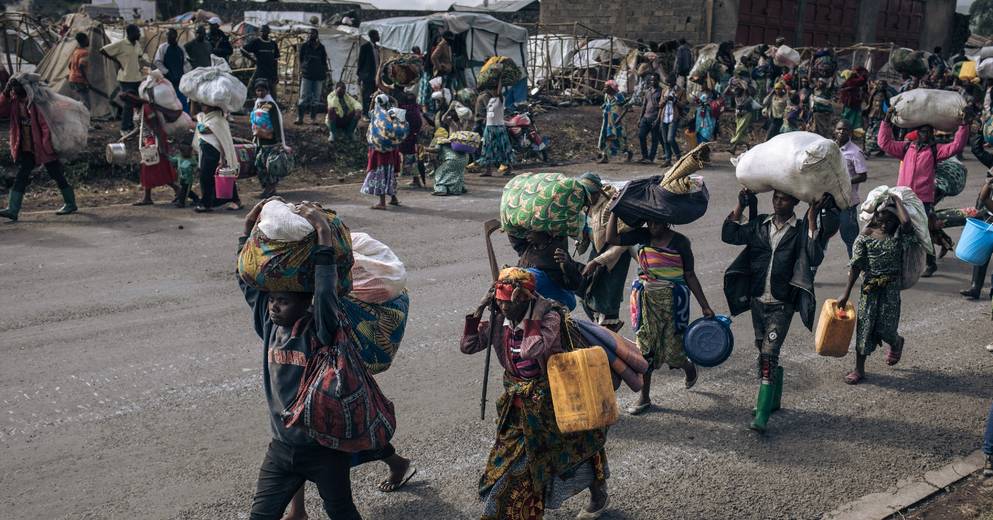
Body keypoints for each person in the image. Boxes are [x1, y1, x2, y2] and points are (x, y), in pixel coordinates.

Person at [237, 199, 362, 520]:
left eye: (282, 301)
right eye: (272, 300)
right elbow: (248, 282)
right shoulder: (268, 327)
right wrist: (247, 231)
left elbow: (324, 290)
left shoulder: (320, 329)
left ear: (306, 306)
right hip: (281, 449)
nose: (272, 307)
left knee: (341, 511)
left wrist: (321, 231)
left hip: (323, 450)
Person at [460, 267, 610, 520]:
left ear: (526, 299)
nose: (504, 307)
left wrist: (534, 318)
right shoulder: (499, 319)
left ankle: (598, 493)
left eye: (509, 302)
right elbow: (468, 346)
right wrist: (479, 310)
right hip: (516, 408)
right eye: (500, 301)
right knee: (510, 465)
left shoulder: (550, 318)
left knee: (574, 453)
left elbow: (532, 350)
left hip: (552, 404)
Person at [722, 189, 832, 433]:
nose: (777, 202)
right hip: (757, 300)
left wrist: (812, 218)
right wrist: (740, 206)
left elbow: (814, 256)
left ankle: (761, 413)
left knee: (769, 353)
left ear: (794, 201)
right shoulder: (760, 223)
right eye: (775, 198)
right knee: (761, 350)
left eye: (783, 198)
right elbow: (729, 235)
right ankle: (773, 399)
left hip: (783, 304)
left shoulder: (801, 229)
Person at [605, 209, 714, 415]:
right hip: (645, 302)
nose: (653, 227)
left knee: (674, 350)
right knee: (646, 350)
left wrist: (705, 305)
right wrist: (615, 211)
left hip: (673, 303)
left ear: (668, 222)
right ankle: (644, 398)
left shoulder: (681, 243)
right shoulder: (642, 235)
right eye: (650, 222)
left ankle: (687, 366)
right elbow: (612, 238)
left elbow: (689, 274)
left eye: (658, 223)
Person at [877, 109, 969, 277]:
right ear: (917, 133)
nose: (925, 135)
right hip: (901, 197)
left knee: (921, 231)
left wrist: (963, 125)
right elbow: (885, 143)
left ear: (931, 134)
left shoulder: (935, 151)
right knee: (893, 227)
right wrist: (886, 121)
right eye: (922, 132)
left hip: (922, 200)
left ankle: (930, 263)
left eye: (928, 132)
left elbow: (956, 146)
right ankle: (895, 262)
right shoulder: (906, 148)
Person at [836, 193, 914, 384]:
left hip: (891, 289)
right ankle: (859, 370)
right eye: (882, 217)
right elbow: (855, 266)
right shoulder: (864, 237)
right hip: (870, 289)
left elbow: (907, 225)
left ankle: (896, 342)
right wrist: (845, 294)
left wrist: (897, 201)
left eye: (891, 218)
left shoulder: (898, 235)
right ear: (876, 217)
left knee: (886, 329)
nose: (886, 222)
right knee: (865, 329)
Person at [0, 76, 78, 221]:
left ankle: (70, 203)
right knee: (21, 176)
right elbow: (1, 109)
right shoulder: (15, 101)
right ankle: (13, 209)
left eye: (17, 90)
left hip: (43, 147)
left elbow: (45, 126)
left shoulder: (38, 103)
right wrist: (5, 92)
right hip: (27, 147)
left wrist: (47, 148)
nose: (15, 93)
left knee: (56, 174)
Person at [579, 181, 630, 331]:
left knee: (607, 299)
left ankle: (609, 331)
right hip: (596, 254)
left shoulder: (611, 208)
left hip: (614, 260)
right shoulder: (587, 210)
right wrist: (579, 237)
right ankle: (605, 329)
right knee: (588, 295)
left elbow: (621, 245)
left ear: (595, 193)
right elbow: (584, 245)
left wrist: (597, 261)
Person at [129, 90, 181, 206]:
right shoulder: (136, 110)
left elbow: (156, 127)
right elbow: (139, 128)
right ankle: (177, 190)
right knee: (154, 167)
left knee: (152, 167)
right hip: (147, 141)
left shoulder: (146, 108)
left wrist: (161, 146)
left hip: (155, 140)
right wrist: (127, 137)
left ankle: (176, 189)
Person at [957, 136, 993, 299]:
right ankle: (975, 287)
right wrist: (978, 132)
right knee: (982, 250)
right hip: (989, 213)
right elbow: (977, 150)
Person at [193, 103, 242, 212]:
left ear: (212, 106)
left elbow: (204, 130)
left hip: (214, 152)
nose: (202, 107)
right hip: (206, 150)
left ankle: (206, 204)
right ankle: (232, 200)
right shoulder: (204, 118)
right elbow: (195, 116)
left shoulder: (217, 120)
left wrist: (223, 157)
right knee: (218, 176)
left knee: (208, 176)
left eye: (205, 105)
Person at [101, 24, 148, 136]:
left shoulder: (136, 44)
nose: (139, 34)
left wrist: (145, 65)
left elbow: (140, 57)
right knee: (128, 104)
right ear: (130, 33)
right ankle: (124, 128)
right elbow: (103, 50)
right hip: (126, 78)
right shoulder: (121, 44)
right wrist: (118, 61)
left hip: (137, 77)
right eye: (137, 32)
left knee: (137, 104)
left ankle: (132, 125)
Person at [362, 94, 403, 210]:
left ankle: (382, 203)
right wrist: (391, 97)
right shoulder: (392, 113)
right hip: (391, 151)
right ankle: (393, 198)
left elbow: (369, 111)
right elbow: (397, 106)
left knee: (381, 175)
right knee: (390, 174)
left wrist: (374, 98)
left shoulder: (376, 114)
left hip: (379, 152)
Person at [835, 119, 869, 257]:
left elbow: (863, 176)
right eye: (839, 129)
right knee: (820, 237)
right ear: (834, 130)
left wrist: (845, 182)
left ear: (850, 133)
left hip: (847, 202)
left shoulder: (855, 152)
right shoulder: (829, 147)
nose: (841, 132)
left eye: (845, 130)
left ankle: (856, 267)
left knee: (850, 239)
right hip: (829, 200)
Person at [251, 80, 288, 199]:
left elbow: (276, 123)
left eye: (262, 90)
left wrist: (279, 141)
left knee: (269, 165)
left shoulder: (271, 105)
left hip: (270, 141)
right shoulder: (257, 104)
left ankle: (270, 188)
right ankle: (267, 187)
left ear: (267, 91)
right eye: (258, 90)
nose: (260, 93)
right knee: (259, 164)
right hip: (260, 140)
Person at [477, 73, 513, 177]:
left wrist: (500, 78)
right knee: (487, 148)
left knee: (504, 148)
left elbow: (499, 92)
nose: (493, 92)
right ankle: (488, 170)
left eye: (494, 90)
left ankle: (509, 168)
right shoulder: (490, 100)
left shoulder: (501, 99)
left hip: (499, 127)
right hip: (489, 127)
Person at [153, 28, 191, 113]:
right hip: (168, 79)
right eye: (167, 35)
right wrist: (167, 72)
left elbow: (186, 62)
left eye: (171, 35)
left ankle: (185, 116)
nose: (169, 37)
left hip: (180, 79)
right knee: (169, 100)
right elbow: (157, 61)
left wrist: (186, 74)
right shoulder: (163, 48)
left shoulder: (180, 48)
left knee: (182, 100)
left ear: (175, 36)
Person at [297, 29, 329, 125]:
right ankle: (300, 118)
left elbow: (324, 61)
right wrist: (303, 68)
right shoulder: (304, 46)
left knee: (316, 99)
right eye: (310, 33)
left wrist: (324, 73)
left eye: (313, 33)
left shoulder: (321, 48)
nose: (311, 35)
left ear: (317, 35)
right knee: (303, 97)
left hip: (318, 76)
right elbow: (301, 59)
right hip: (307, 75)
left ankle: (313, 119)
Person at [242, 25, 280, 101]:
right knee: (254, 88)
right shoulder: (256, 42)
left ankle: (273, 108)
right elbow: (243, 50)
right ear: (260, 32)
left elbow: (275, 60)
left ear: (268, 32)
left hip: (271, 72)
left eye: (265, 32)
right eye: (262, 31)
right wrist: (253, 60)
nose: (263, 33)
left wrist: (276, 74)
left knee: (272, 92)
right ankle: (253, 105)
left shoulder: (272, 44)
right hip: (260, 71)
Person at [597, 80, 631, 164]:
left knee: (619, 138)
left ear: (612, 88)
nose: (605, 89)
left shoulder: (618, 96)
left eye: (606, 87)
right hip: (607, 120)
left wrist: (619, 119)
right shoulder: (606, 95)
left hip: (617, 120)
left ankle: (627, 152)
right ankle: (605, 155)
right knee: (605, 136)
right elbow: (606, 104)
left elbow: (625, 108)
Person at [637, 73, 661, 164]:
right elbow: (644, 105)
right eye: (651, 80)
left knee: (654, 139)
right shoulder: (647, 91)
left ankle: (651, 158)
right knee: (641, 135)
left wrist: (658, 119)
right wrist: (640, 118)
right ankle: (645, 156)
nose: (652, 82)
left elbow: (661, 107)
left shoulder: (661, 92)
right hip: (645, 117)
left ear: (658, 81)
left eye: (654, 80)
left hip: (655, 118)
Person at [658, 75, 682, 167]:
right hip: (664, 117)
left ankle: (678, 156)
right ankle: (668, 159)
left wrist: (674, 100)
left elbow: (683, 104)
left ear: (674, 81)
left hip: (673, 117)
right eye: (667, 83)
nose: (669, 85)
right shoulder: (664, 90)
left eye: (670, 83)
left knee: (670, 139)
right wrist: (664, 100)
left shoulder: (680, 91)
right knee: (665, 140)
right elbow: (660, 105)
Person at [356, 30, 380, 115]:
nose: (378, 36)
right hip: (368, 76)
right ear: (372, 36)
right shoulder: (365, 47)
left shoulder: (377, 48)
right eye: (377, 35)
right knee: (366, 95)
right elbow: (360, 62)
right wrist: (359, 75)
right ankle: (365, 114)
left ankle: (372, 113)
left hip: (376, 76)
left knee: (374, 95)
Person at [170, 141, 199, 208]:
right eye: (183, 151)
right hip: (181, 178)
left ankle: (182, 202)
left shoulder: (192, 159)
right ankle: (196, 199)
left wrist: (196, 171)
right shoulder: (179, 157)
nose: (185, 152)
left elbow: (195, 166)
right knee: (185, 190)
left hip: (188, 179)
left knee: (185, 191)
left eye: (187, 151)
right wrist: (166, 156)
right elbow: (172, 160)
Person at [728, 85, 754, 155]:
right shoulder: (736, 98)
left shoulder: (747, 98)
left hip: (746, 116)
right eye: (736, 94)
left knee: (740, 130)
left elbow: (747, 109)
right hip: (739, 116)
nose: (737, 96)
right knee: (742, 132)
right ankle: (748, 147)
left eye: (739, 94)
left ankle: (733, 146)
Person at [67, 32, 90, 110]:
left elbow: (70, 65)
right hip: (79, 80)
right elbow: (81, 66)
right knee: (86, 104)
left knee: (80, 101)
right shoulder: (84, 52)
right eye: (87, 39)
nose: (88, 40)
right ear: (84, 40)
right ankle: (85, 120)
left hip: (72, 78)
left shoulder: (76, 51)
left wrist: (73, 73)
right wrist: (86, 80)